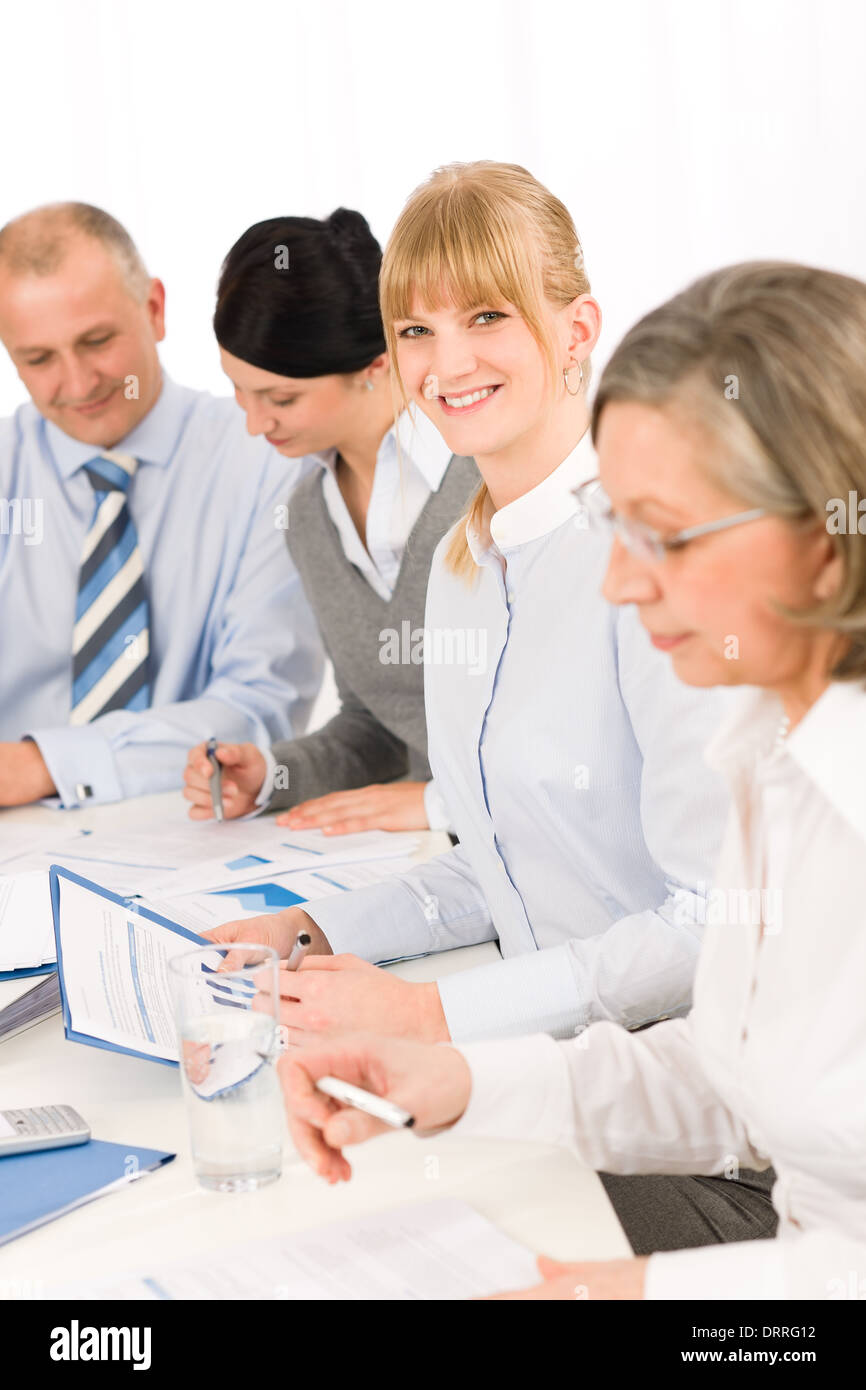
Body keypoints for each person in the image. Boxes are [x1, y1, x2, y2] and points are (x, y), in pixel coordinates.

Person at [279, 260, 866, 1300]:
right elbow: (739, 1084)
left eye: (668, 536)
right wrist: (460, 1076)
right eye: (615, 521)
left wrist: (627, 1295)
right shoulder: (769, 757)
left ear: (826, 542)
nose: (618, 579)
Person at [208, 163, 734, 1049]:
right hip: (553, 1063)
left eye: (487, 316)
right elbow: (503, 868)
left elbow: (711, 922)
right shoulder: (464, 566)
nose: (448, 365)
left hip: (696, 1098)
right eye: (417, 329)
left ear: (578, 331)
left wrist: (432, 1015)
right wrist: (314, 931)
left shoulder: (659, 559)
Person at [0, 202, 323, 808]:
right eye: (37, 359)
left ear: (154, 309)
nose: (76, 383)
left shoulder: (268, 461)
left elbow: (260, 708)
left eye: (96, 341)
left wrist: (43, 766)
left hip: (193, 833)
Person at [182, 209, 479, 833]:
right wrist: (273, 772)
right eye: (241, 391)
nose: (255, 424)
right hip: (438, 859)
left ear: (376, 365)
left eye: (281, 399)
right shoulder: (309, 516)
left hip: (543, 857)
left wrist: (438, 804)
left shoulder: (487, 475)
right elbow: (378, 726)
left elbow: (566, 727)